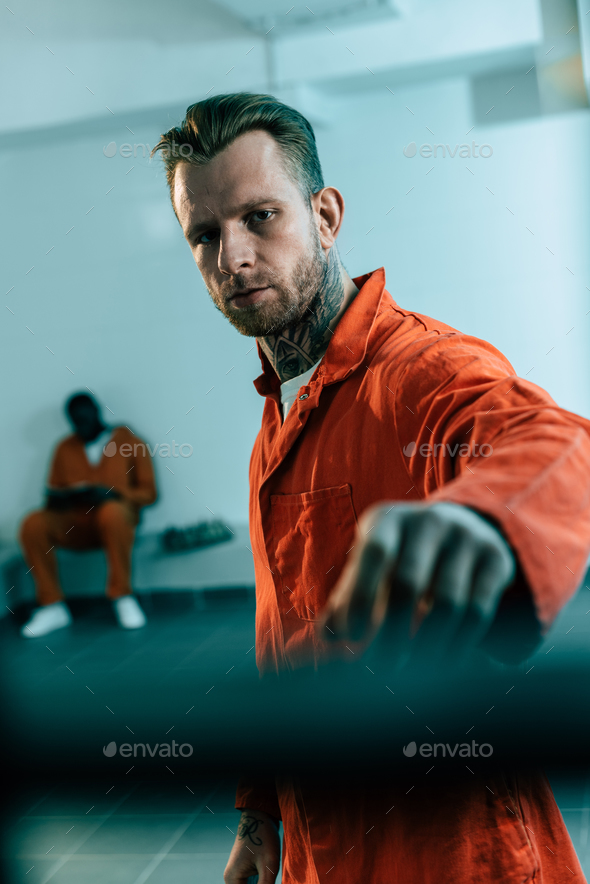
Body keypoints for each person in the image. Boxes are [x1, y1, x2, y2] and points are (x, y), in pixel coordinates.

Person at [153, 93, 590, 883]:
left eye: (259, 217)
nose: (234, 257)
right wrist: (261, 812)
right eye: (205, 235)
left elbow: (556, 444)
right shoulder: (275, 425)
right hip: (323, 849)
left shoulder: (419, 373)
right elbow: (278, 642)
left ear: (325, 215)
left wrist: (486, 521)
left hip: (456, 854)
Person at [19, 393, 157, 637]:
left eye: (84, 419)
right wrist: (59, 498)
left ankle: (122, 596)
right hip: (76, 524)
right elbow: (54, 492)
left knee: (112, 512)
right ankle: (52, 605)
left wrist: (114, 494)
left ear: (97, 412)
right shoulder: (64, 447)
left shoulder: (130, 442)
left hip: (115, 521)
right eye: (75, 422)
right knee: (32, 523)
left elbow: (149, 493)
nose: (80, 426)